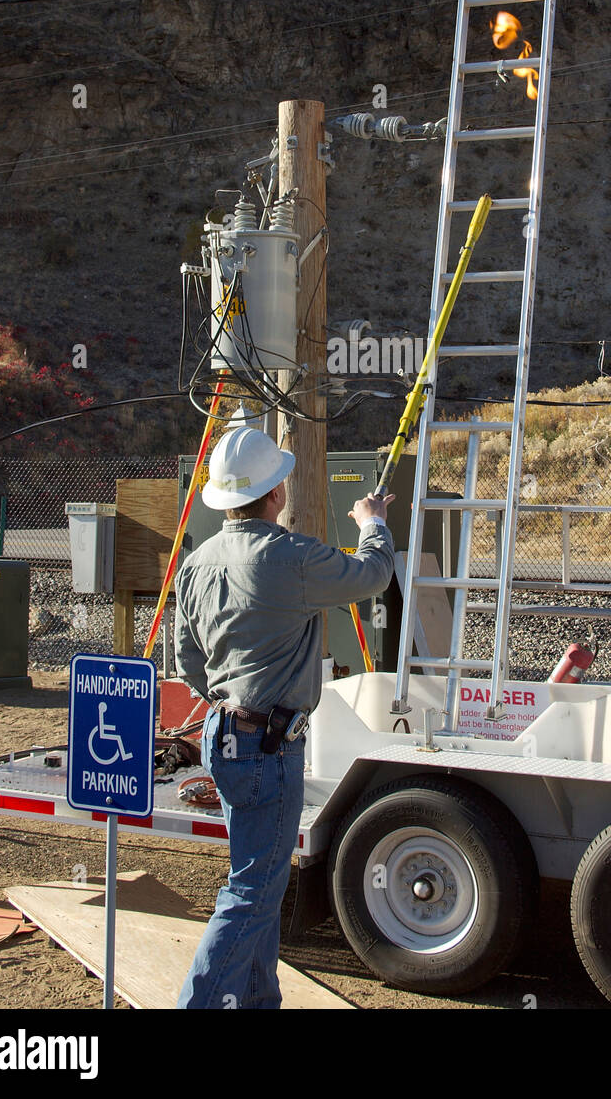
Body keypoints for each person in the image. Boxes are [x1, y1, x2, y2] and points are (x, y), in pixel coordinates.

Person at [174, 423, 394, 1009]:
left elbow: (186, 657)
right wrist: (371, 522)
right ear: (275, 494)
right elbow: (372, 575)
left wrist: (228, 697)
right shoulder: (289, 557)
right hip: (270, 746)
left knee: (261, 886)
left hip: (225, 735)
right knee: (251, 890)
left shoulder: (198, 561)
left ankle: (256, 1002)